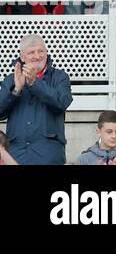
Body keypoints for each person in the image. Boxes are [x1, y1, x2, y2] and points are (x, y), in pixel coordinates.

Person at [0, 34, 72, 164]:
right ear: (22, 57)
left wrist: (35, 83)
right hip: (17, 154)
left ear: (46, 52)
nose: (37, 56)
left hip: (48, 155)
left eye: (41, 51)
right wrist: (16, 90)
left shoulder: (60, 77)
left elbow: (62, 102)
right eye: (31, 52)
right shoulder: (12, 78)